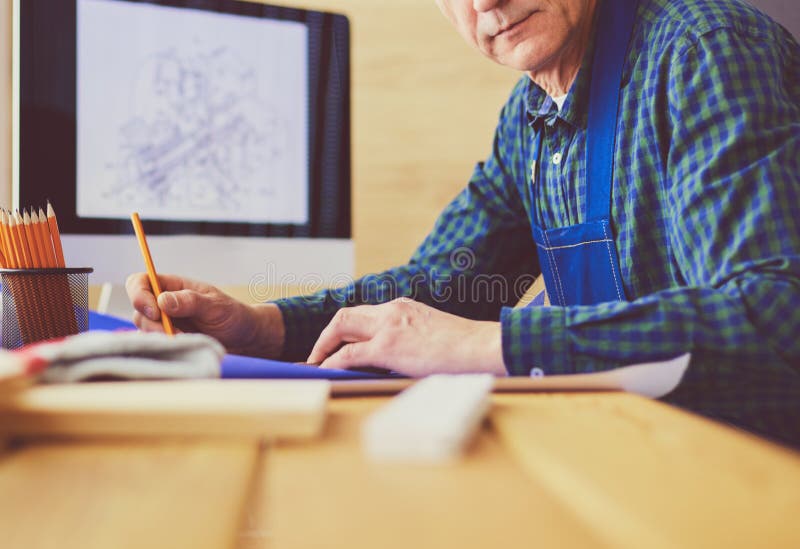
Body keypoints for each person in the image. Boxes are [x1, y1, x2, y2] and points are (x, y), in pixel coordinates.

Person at [127, 0, 800, 447]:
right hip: (631, 456)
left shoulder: (704, 53)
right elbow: (442, 285)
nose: (487, 3)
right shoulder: (528, 117)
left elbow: (774, 318)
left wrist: (484, 347)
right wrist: (264, 327)